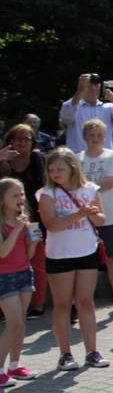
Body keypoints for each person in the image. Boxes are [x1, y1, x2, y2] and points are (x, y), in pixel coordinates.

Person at [36, 148, 110, 370]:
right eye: (51, 169)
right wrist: (80, 214)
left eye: (60, 168)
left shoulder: (89, 189)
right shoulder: (47, 193)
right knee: (62, 304)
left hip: (86, 251)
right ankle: (65, 354)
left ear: (72, 168)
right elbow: (52, 225)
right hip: (59, 255)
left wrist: (94, 215)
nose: (55, 172)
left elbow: (100, 220)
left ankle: (92, 352)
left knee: (86, 301)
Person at [80, 120, 113, 319]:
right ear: (85, 137)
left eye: (99, 135)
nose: (95, 139)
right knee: (83, 262)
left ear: (105, 137)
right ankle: (80, 302)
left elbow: (110, 182)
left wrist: (85, 187)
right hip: (83, 219)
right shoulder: (76, 158)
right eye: (91, 136)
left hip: (109, 214)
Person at [0, 125, 48, 318]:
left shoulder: (38, 159)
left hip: (33, 221)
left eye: (26, 139)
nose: (22, 142)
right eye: (17, 138)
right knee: (5, 259)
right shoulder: (2, 162)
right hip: (4, 221)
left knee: (37, 260)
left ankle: (37, 305)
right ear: (9, 141)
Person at [0, 178, 37, 384]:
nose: (20, 199)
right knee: (13, 323)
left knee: (20, 323)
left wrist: (33, 240)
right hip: (4, 277)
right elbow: (3, 252)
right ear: (2, 200)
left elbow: (29, 254)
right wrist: (17, 229)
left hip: (24, 273)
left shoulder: (24, 219)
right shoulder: (3, 223)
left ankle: (14, 366)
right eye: (15, 195)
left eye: (21, 194)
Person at [59, 73, 113, 152]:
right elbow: (66, 118)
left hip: (103, 157)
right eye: (89, 86)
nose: (93, 88)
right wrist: (79, 92)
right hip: (79, 157)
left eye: (96, 85)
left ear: (100, 87)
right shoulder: (74, 106)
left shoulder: (109, 108)